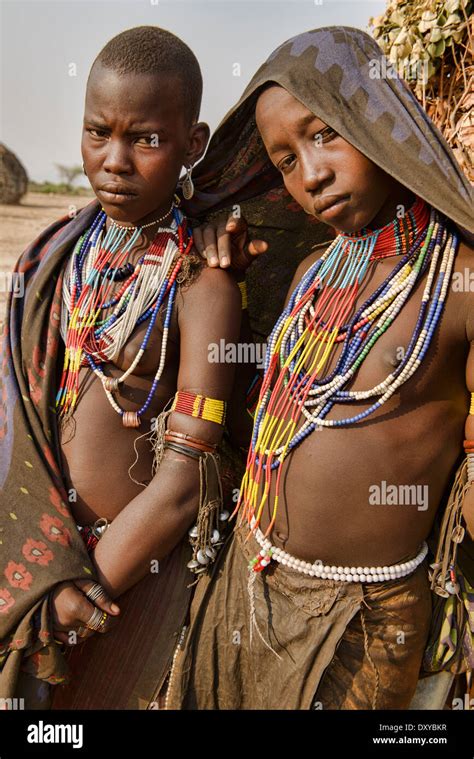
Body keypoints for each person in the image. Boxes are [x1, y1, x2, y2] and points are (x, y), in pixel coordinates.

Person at [165, 26, 474, 710]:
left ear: (380, 120)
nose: (310, 174)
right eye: (283, 161)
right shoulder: (311, 270)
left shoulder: (459, 281)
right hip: (243, 578)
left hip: (360, 623)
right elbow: (278, 404)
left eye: (326, 134)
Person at [0, 25, 246, 709]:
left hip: (130, 578)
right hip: (34, 564)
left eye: (145, 139)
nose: (114, 160)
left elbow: (186, 477)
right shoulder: (52, 257)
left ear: (191, 144)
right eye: (97, 132)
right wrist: (36, 581)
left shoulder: (203, 282)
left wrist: (90, 588)